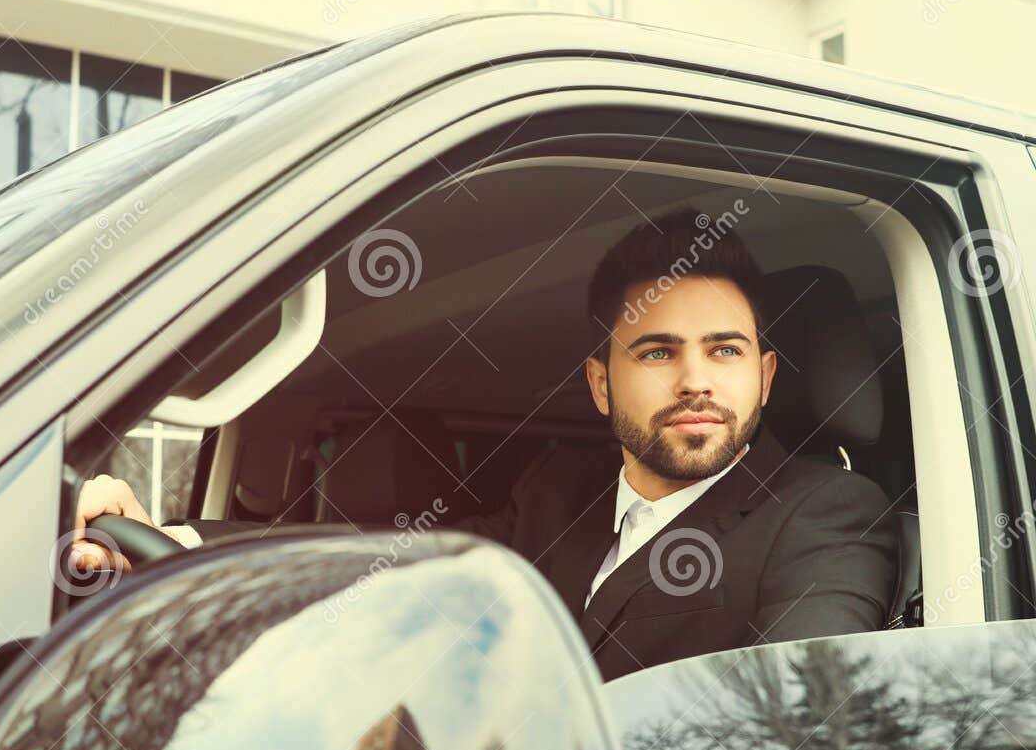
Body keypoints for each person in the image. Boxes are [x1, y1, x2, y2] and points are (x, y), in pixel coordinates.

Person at [72, 207, 899, 680]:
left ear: (764, 374)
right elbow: (389, 562)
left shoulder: (830, 516)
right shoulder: (556, 496)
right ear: (601, 383)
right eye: (657, 352)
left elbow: (796, 721)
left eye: (725, 352)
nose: (695, 381)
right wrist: (178, 543)